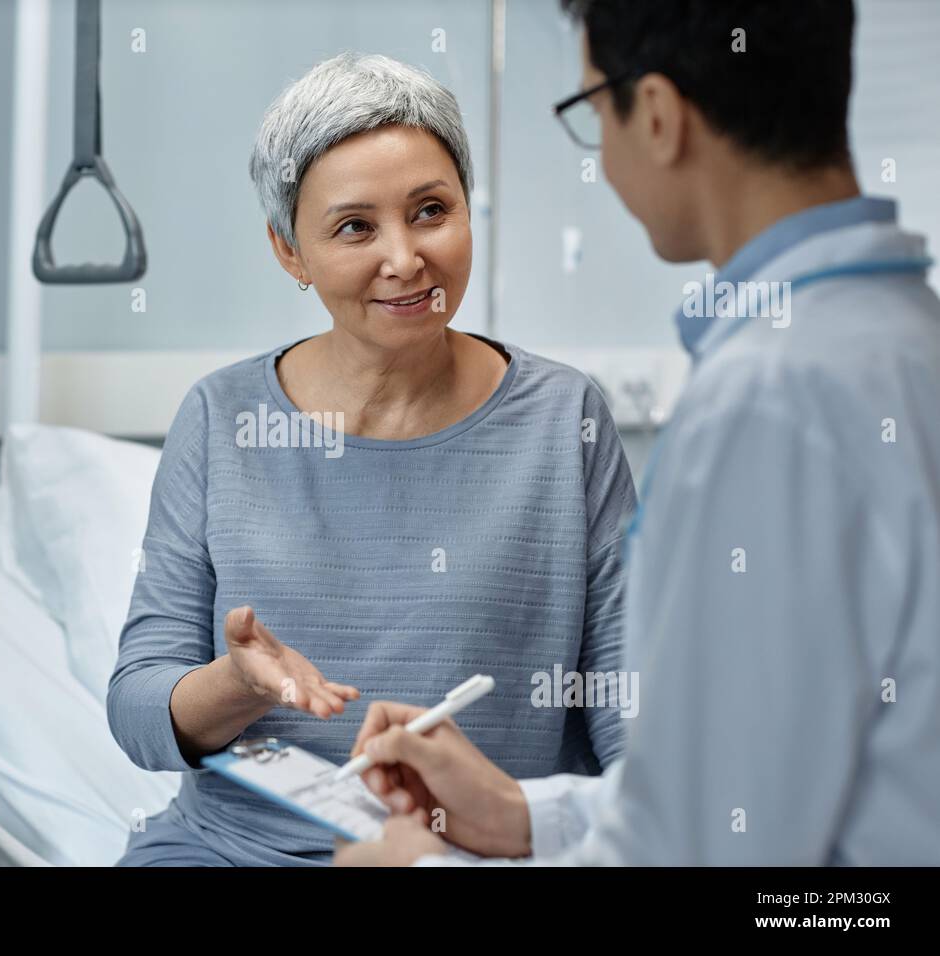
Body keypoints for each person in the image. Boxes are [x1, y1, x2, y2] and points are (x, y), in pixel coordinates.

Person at [337, 0, 940, 866]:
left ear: (656, 115)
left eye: (591, 111)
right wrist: (523, 814)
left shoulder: (768, 400)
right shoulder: (900, 337)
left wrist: (416, 866)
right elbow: (754, 785)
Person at [108, 52, 637, 866]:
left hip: (463, 855)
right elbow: (139, 709)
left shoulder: (565, 419)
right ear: (290, 251)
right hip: (226, 850)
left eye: (431, 210)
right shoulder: (222, 418)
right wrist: (241, 683)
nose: (405, 258)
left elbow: (627, 710)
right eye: (355, 227)